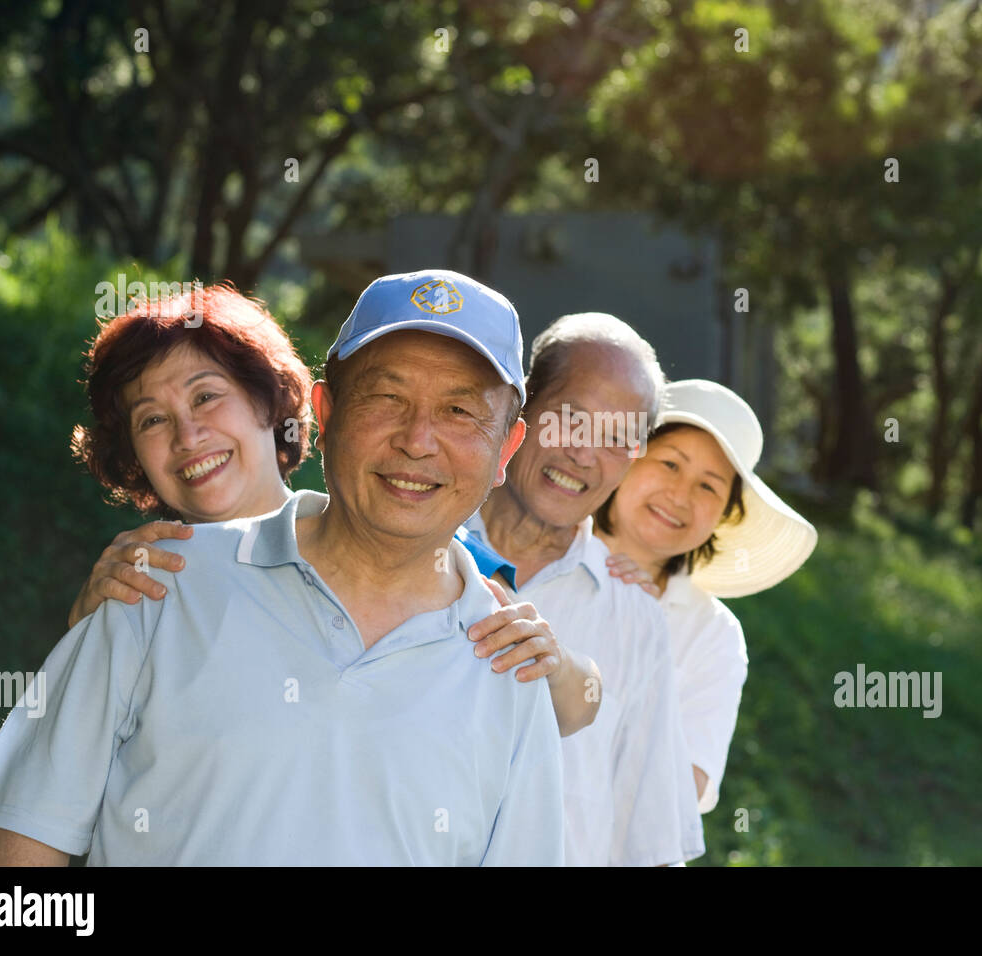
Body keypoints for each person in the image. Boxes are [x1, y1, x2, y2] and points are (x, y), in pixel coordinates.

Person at [0, 270, 565, 865]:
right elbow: (27, 844)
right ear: (325, 414)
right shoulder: (155, 584)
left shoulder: (510, 666)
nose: (417, 439)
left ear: (506, 449)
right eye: (387, 397)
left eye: (460, 410)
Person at [62, 282, 597, 736]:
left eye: (206, 397)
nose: (189, 436)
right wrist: (86, 629)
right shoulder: (145, 583)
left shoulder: (418, 542)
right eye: (151, 420)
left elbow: (576, 706)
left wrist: (552, 662)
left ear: (271, 401)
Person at [460, 312, 704, 866]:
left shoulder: (637, 620)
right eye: (572, 418)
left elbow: (653, 841)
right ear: (520, 408)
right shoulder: (421, 548)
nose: (584, 453)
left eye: (618, 439)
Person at [596, 379, 817, 814]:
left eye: (709, 486)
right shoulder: (539, 551)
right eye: (670, 465)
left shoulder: (713, 633)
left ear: (725, 515)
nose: (679, 496)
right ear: (630, 459)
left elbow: (683, 791)